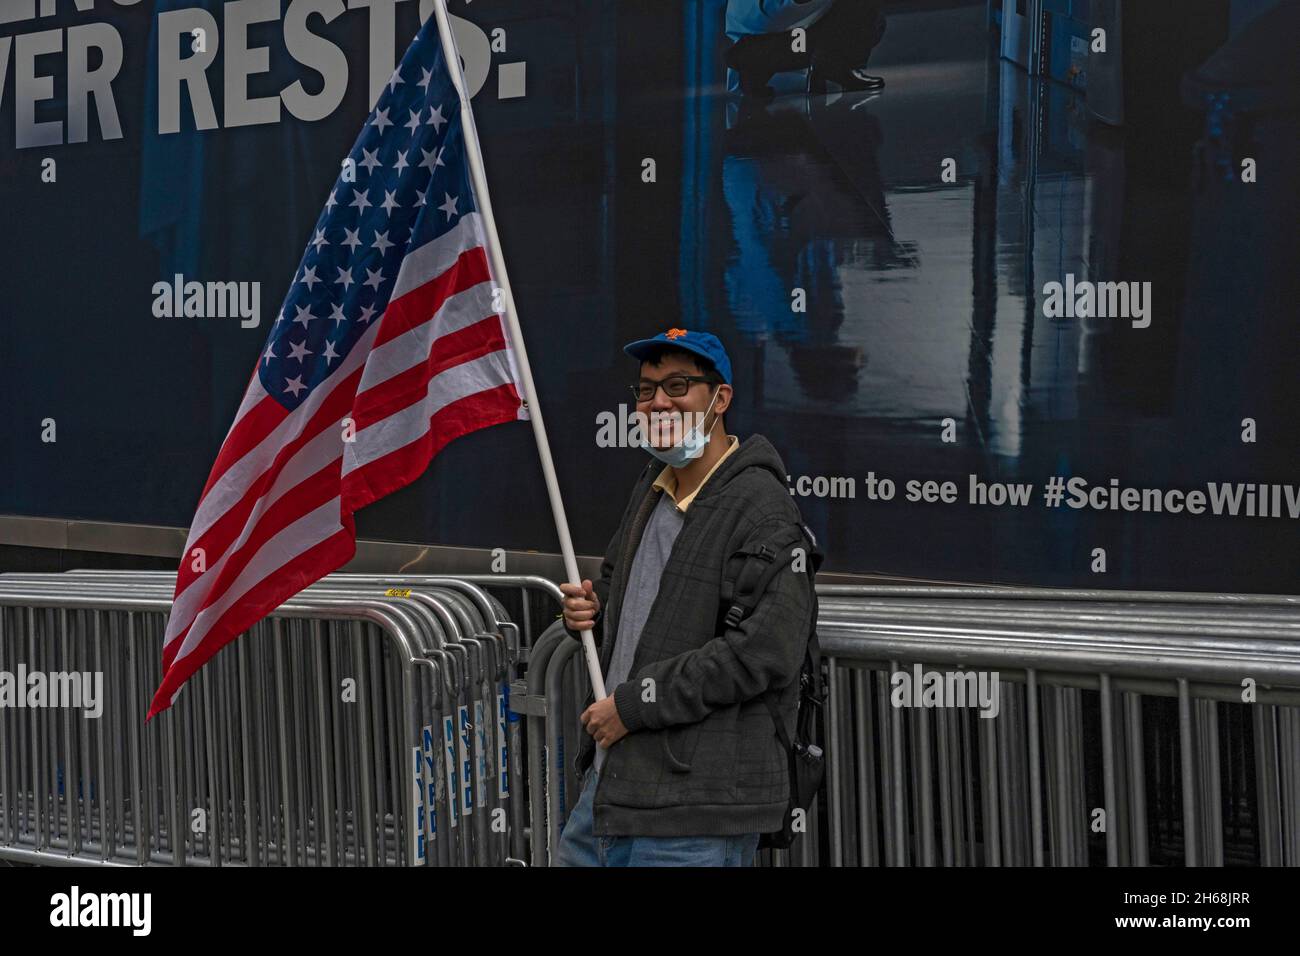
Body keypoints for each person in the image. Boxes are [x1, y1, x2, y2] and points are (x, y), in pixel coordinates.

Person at [553, 329, 815, 867]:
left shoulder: (764, 508)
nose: (658, 402)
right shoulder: (653, 486)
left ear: (720, 399)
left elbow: (764, 651)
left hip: (694, 816)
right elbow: (633, 599)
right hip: (610, 793)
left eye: (678, 385)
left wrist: (632, 706)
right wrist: (594, 611)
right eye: (646, 390)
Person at [724, 0, 888, 99]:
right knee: (869, 21)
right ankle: (831, 62)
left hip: (754, 32)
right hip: (777, 25)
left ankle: (756, 57)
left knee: (873, 21)